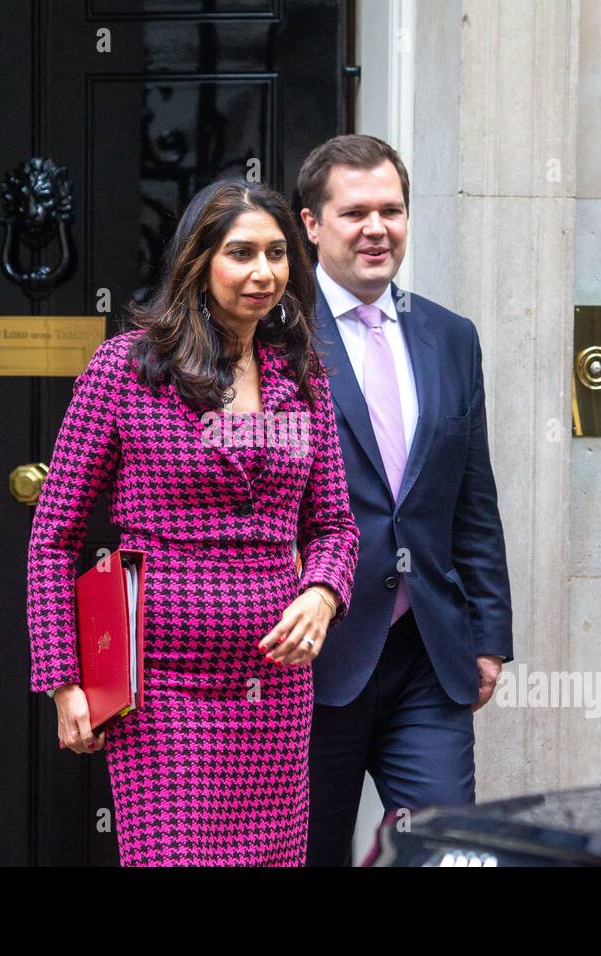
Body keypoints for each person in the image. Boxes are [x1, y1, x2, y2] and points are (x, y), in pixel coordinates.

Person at [27, 178, 360, 866]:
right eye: (241, 253)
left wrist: (323, 593)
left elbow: (334, 525)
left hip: (274, 687)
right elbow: (54, 536)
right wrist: (65, 680)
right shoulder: (123, 370)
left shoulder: (302, 376)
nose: (264, 273)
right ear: (198, 260)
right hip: (161, 689)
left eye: (277, 254)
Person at [296, 134, 514, 866]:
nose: (376, 228)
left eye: (391, 209)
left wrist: (489, 634)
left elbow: (472, 498)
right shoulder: (274, 338)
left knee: (446, 852)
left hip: (429, 652)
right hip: (312, 659)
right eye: (354, 211)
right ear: (311, 225)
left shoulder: (451, 336)